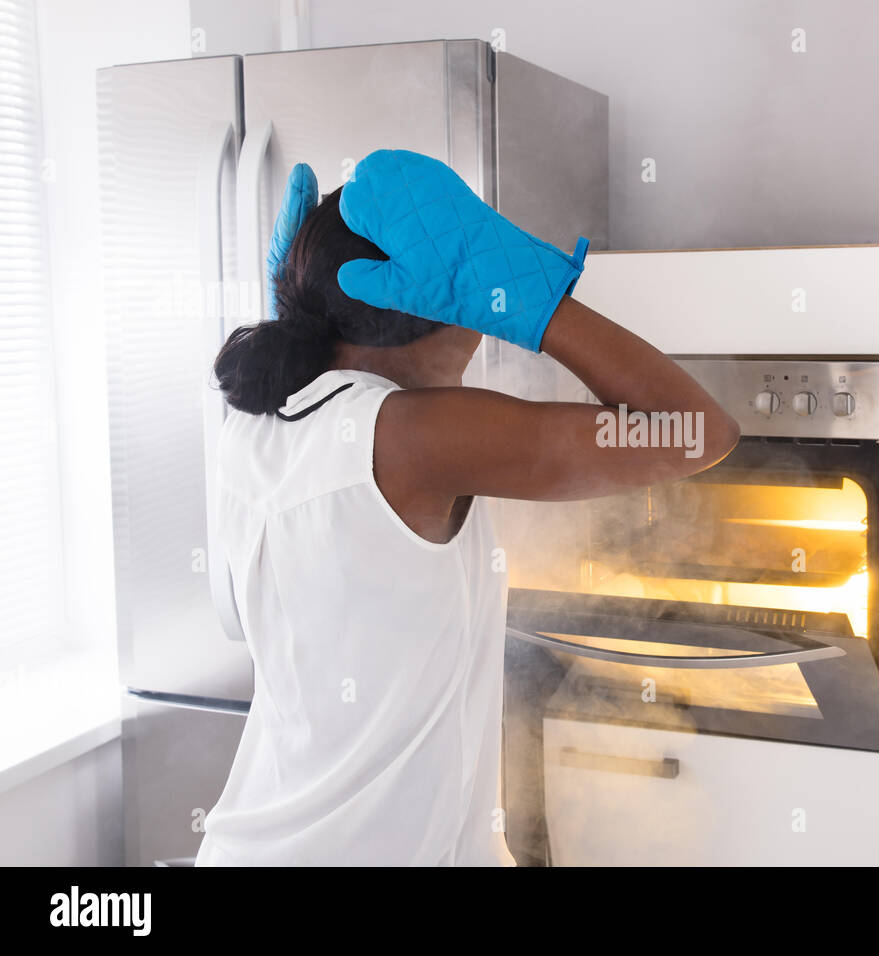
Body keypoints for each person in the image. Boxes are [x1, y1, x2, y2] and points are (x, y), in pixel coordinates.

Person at [193, 154, 739, 865]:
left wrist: (306, 312)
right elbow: (697, 430)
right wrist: (534, 293)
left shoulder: (253, 421)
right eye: (468, 275)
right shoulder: (413, 434)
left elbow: (240, 617)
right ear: (434, 302)